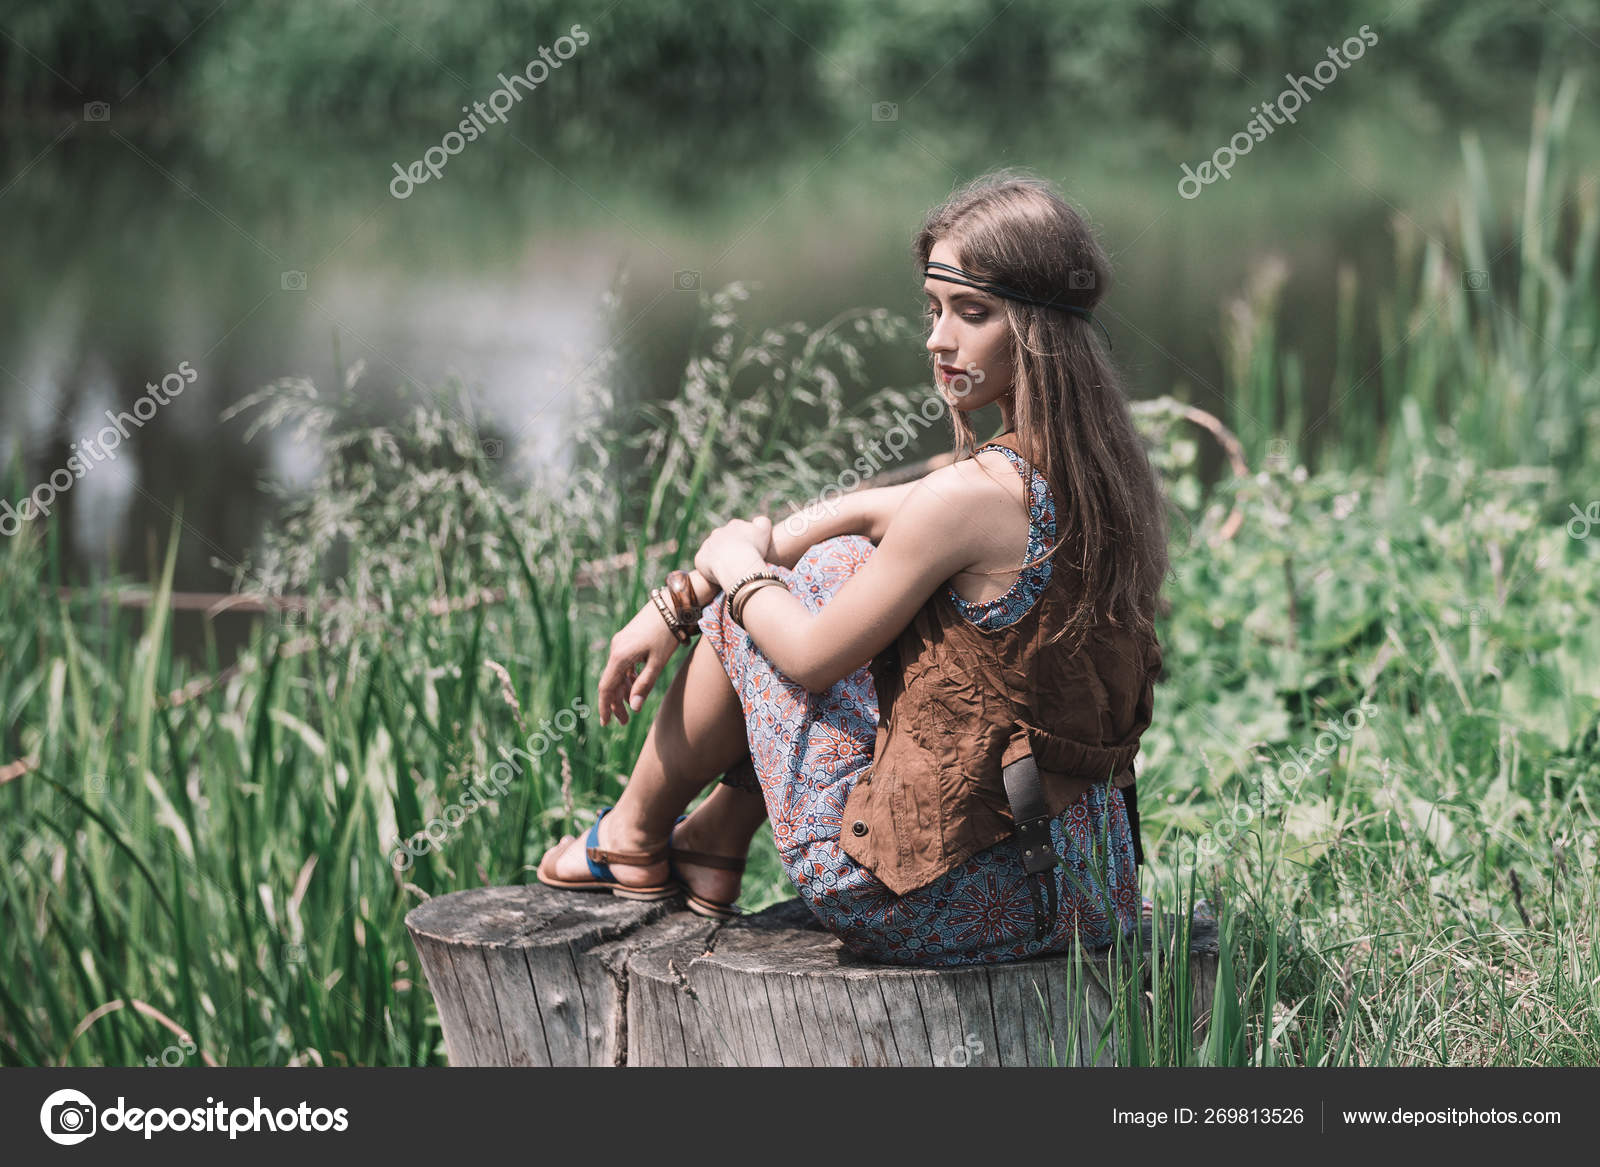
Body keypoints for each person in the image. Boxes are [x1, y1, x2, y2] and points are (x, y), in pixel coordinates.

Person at [538, 169, 1168, 966]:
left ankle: (632, 833)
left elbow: (809, 656)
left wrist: (730, 567)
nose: (938, 338)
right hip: (1083, 886)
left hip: (944, 904)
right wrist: (681, 596)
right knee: (836, 563)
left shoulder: (973, 495)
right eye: (935, 309)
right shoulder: (1101, 470)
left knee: (757, 614)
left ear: (1039, 329)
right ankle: (713, 840)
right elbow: (876, 516)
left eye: (972, 313)